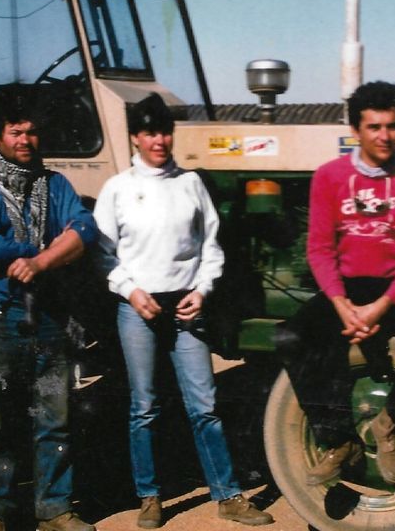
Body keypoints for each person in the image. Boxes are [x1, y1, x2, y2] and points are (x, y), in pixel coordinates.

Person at [93, 94, 273, 528]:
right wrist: (132, 292)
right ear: (135, 137)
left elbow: (211, 247)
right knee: (145, 407)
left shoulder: (191, 184)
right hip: (138, 310)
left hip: (187, 310)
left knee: (204, 405)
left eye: (165, 131)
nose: (159, 140)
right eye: (150, 132)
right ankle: (150, 497)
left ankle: (228, 496)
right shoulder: (117, 188)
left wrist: (203, 290)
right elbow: (103, 255)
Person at [276, 81, 395, 491]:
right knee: (291, 337)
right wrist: (341, 305)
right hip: (348, 289)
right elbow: (320, 250)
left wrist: (381, 307)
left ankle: (390, 425)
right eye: (374, 127)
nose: (384, 136)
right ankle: (339, 441)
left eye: (392, 126)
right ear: (356, 129)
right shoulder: (329, 177)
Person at [0, 97, 99, 531]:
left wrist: (40, 263)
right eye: (15, 132)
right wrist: (50, 250)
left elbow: (84, 230)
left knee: (53, 418)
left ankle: (54, 508)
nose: (25, 140)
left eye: (30, 131)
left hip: (49, 318)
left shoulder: (55, 185)